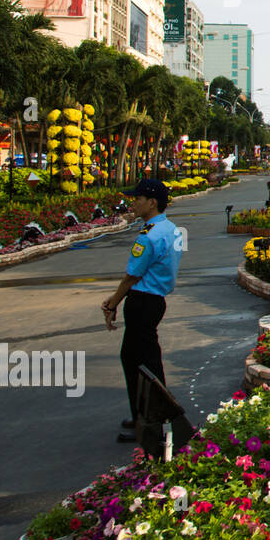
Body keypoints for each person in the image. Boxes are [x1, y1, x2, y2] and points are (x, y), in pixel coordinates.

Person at [101, 179, 182, 442]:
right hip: (155, 300)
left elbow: (131, 276)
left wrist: (113, 302)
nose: (133, 203)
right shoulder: (170, 229)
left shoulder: (149, 236)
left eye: (138, 198)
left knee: (140, 363)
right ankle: (145, 416)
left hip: (143, 302)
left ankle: (150, 422)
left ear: (152, 202)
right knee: (140, 358)